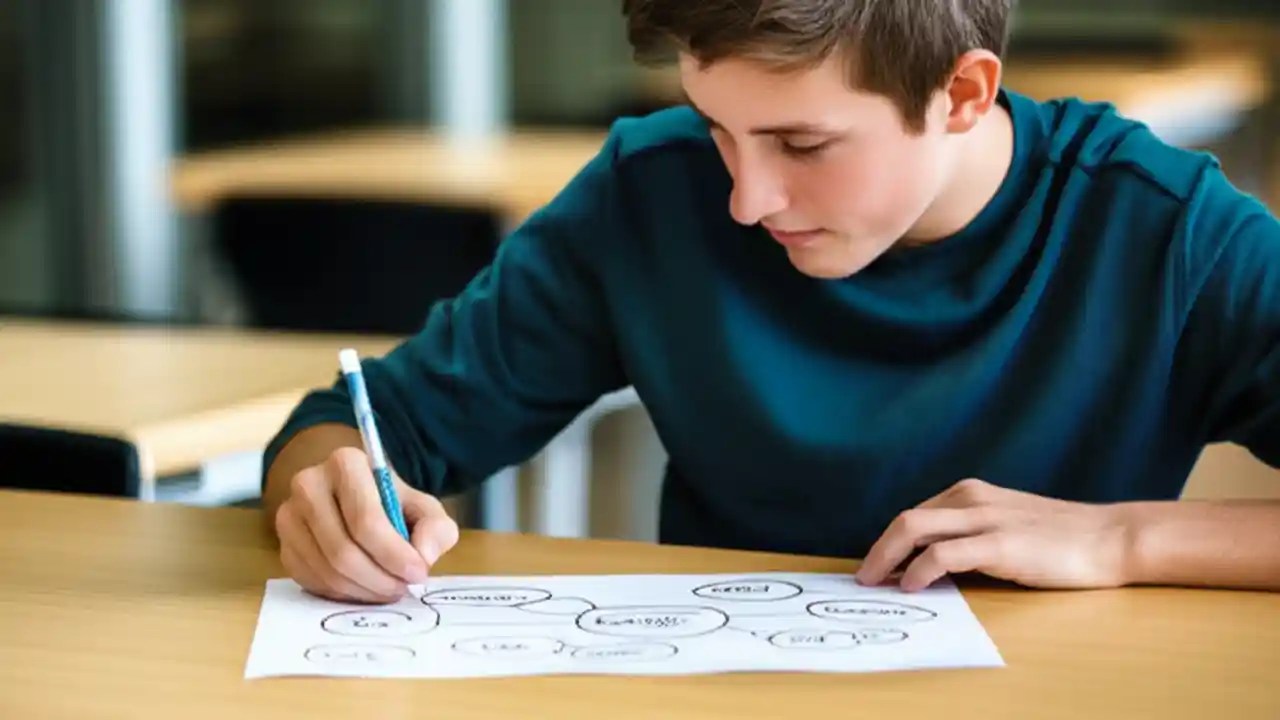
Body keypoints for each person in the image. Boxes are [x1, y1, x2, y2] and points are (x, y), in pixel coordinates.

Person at [260, 0, 1280, 604]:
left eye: (801, 144)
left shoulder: (1162, 229)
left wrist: (1120, 539)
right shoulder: (648, 194)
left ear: (962, 94)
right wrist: (329, 495)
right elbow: (358, 429)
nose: (746, 199)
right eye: (713, 127)